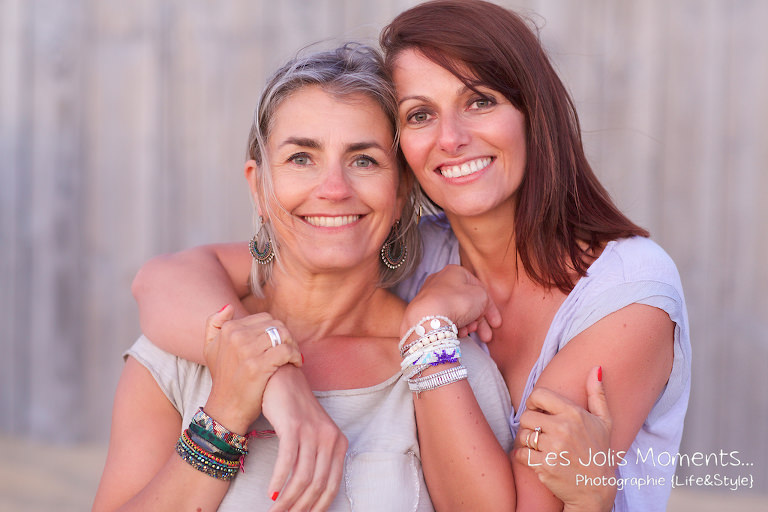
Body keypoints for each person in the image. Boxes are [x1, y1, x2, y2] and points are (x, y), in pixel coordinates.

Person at [131, 1, 691, 511]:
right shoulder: (411, 248)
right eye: (421, 114)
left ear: (532, 112)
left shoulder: (625, 291)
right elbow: (166, 279)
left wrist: (426, 327)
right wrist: (276, 379)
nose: (451, 138)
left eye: (479, 101)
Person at [93, 44, 517, 512]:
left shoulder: (445, 358)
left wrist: (427, 337)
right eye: (301, 158)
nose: (333, 189)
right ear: (259, 186)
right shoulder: (174, 356)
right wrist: (229, 410)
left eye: (364, 160)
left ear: (400, 194)